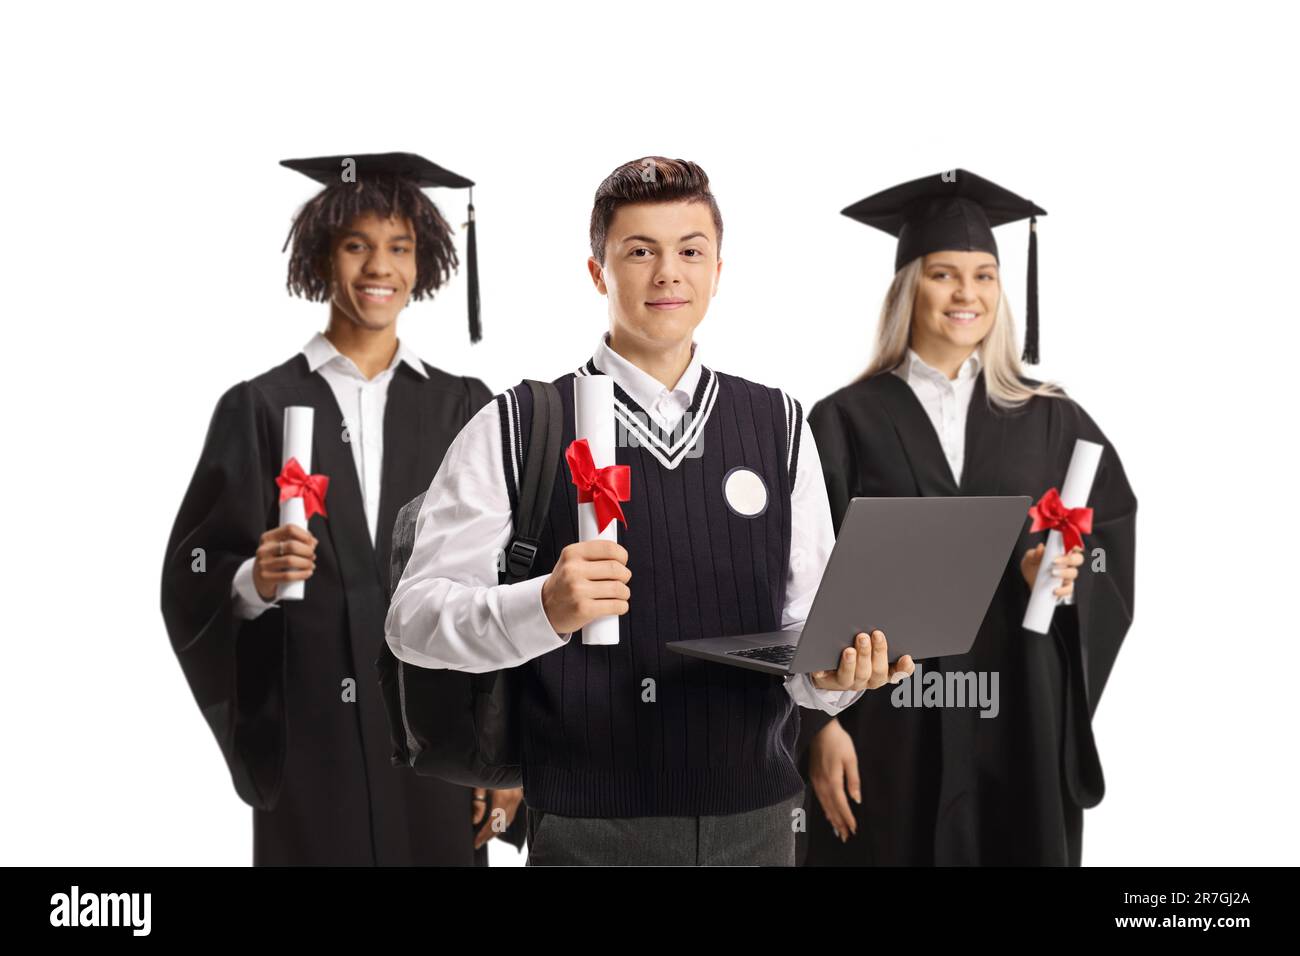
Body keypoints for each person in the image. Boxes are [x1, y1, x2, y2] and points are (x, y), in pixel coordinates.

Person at [385, 156, 914, 867]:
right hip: (588, 827)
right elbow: (412, 619)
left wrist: (833, 678)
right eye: (639, 251)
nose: (668, 272)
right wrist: (542, 607)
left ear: (718, 270)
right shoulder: (520, 424)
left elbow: (803, 628)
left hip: (756, 822)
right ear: (599, 272)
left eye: (690, 251)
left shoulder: (778, 422)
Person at [161, 152, 524, 865]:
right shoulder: (259, 407)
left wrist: (507, 761)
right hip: (311, 742)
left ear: (424, 261)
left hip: (439, 744)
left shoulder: (464, 407)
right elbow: (190, 576)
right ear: (322, 256)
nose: (378, 267)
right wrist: (253, 581)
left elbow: (507, 583)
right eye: (356, 245)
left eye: (399, 247)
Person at [797, 169, 1137, 866]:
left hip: (1018, 715)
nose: (966, 295)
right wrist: (815, 728)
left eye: (984, 276)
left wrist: (1064, 576)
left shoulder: (1053, 417)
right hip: (886, 721)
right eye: (944, 274)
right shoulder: (841, 421)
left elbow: (1108, 538)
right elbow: (796, 580)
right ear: (907, 289)